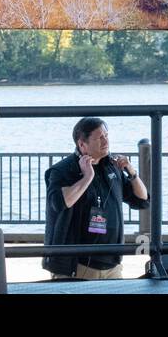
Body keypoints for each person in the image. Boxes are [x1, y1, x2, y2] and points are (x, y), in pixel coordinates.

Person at [42, 116, 150, 280]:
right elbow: (61, 203)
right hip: (77, 265)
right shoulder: (62, 170)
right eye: (99, 137)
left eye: (106, 135)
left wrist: (132, 172)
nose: (105, 141)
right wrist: (87, 177)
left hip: (112, 263)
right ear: (82, 144)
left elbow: (142, 200)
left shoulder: (112, 166)